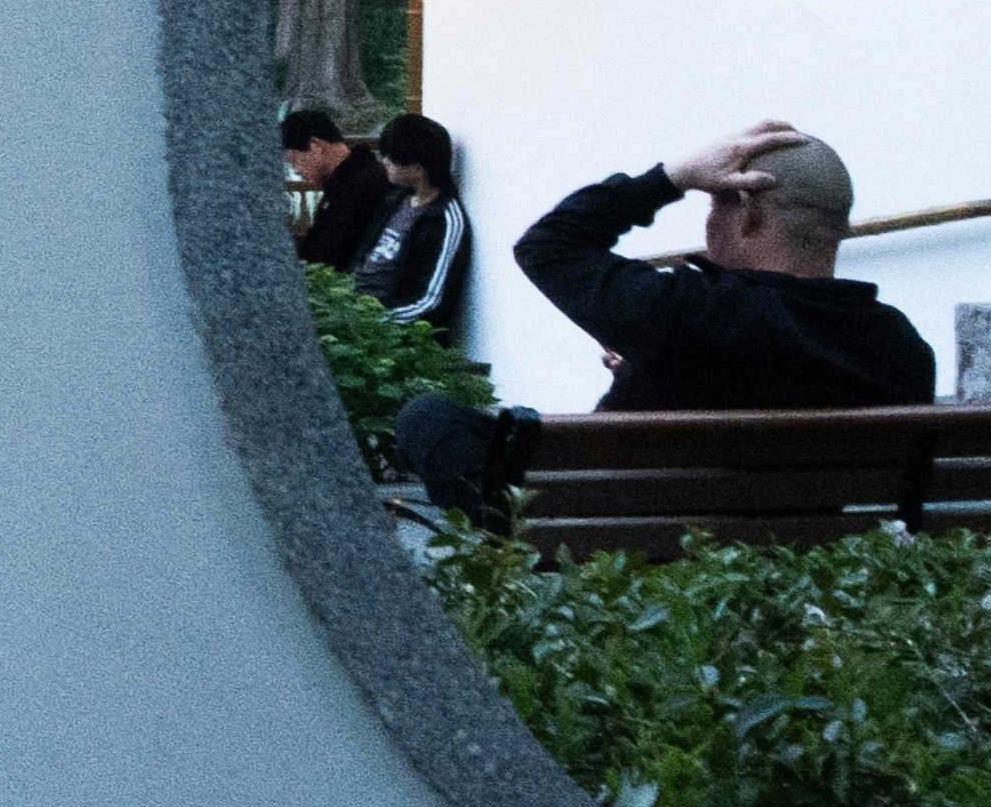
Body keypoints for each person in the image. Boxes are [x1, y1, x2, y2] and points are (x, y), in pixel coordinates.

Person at [394, 119, 936, 513]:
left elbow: (548, 245)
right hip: (796, 552)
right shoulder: (902, 347)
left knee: (428, 415)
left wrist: (671, 177)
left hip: (620, 537)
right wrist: (645, 373)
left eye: (712, 201)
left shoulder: (684, 313)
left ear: (746, 210)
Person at [345, 111, 470, 340]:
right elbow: (365, 256)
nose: (385, 163)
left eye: (392, 158)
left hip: (384, 324)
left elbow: (430, 302)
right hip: (354, 305)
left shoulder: (444, 220)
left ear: (418, 168)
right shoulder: (398, 198)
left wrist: (368, 323)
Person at [283, 106, 395, 274]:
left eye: (294, 161)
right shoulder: (347, 180)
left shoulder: (359, 186)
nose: (296, 171)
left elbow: (331, 254)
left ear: (316, 146)